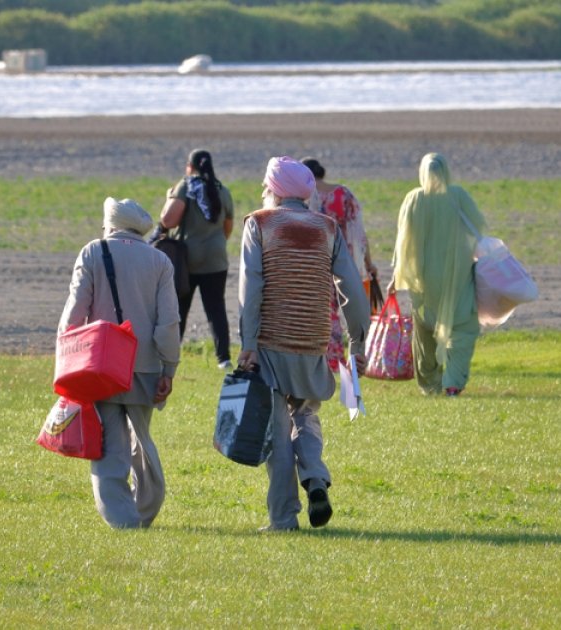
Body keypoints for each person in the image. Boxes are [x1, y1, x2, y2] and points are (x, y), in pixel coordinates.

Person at [237, 156, 371, 531]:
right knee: (307, 414)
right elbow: (351, 288)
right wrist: (358, 340)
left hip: (270, 343)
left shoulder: (259, 224)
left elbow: (252, 286)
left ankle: (283, 519)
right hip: (313, 341)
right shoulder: (327, 226)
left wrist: (247, 342)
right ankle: (314, 477)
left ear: (273, 190)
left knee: (276, 431)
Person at [58, 197, 182, 529]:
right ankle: (143, 510)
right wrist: (169, 368)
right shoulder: (159, 261)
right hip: (145, 366)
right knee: (142, 438)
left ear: (110, 225)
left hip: (100, 365)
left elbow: (73, 314)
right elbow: (169, 322)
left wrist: (66, 364)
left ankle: (122, 519)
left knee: (110, 444)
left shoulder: (92, 252)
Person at [387, 153, 487, 397]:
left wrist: (396, 276)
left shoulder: (413, 199)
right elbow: (478, 226)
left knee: (425, 333)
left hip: (423, 279)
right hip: (458, 275)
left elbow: (404, 242)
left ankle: (431, 382)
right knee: (461, 328)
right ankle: (453, 383)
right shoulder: (458, 196)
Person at [159, 149, 235, 369]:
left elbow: (168, 220)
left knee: (180, 309)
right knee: (216, 310)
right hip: (216, 259)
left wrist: (169, 197)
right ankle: (224, 359)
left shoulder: (186, 186)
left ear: (190, 166)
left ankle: (171, 355)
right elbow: (227, 227)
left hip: (187, 261)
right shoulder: (223, 190)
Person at [301, 157, 379, 370]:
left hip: (314, 262)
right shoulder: (343, 195)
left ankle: (329, 358)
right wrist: (368, 264)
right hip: (342, 261)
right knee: (347, 309)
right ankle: (338, 357)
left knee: (324, 310)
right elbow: (359, 234)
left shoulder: (303, 196)